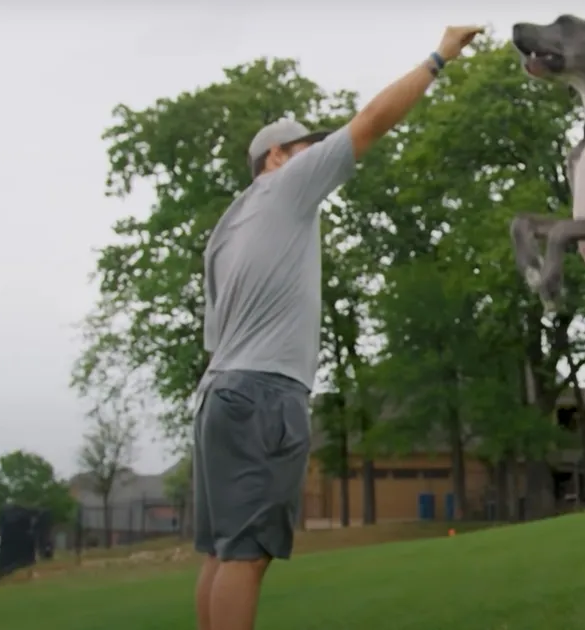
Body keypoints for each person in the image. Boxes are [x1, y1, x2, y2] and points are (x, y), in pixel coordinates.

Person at [191, 25, 484, 630]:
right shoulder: (286, 186)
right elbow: (373, 120)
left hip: (218, 398)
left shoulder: (224, 230)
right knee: (247, 555)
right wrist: (441, 55)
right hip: (264, 394)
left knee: (222, 552)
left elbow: (216, 335)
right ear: (275, 159)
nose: (318, 153)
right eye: (306, 146)